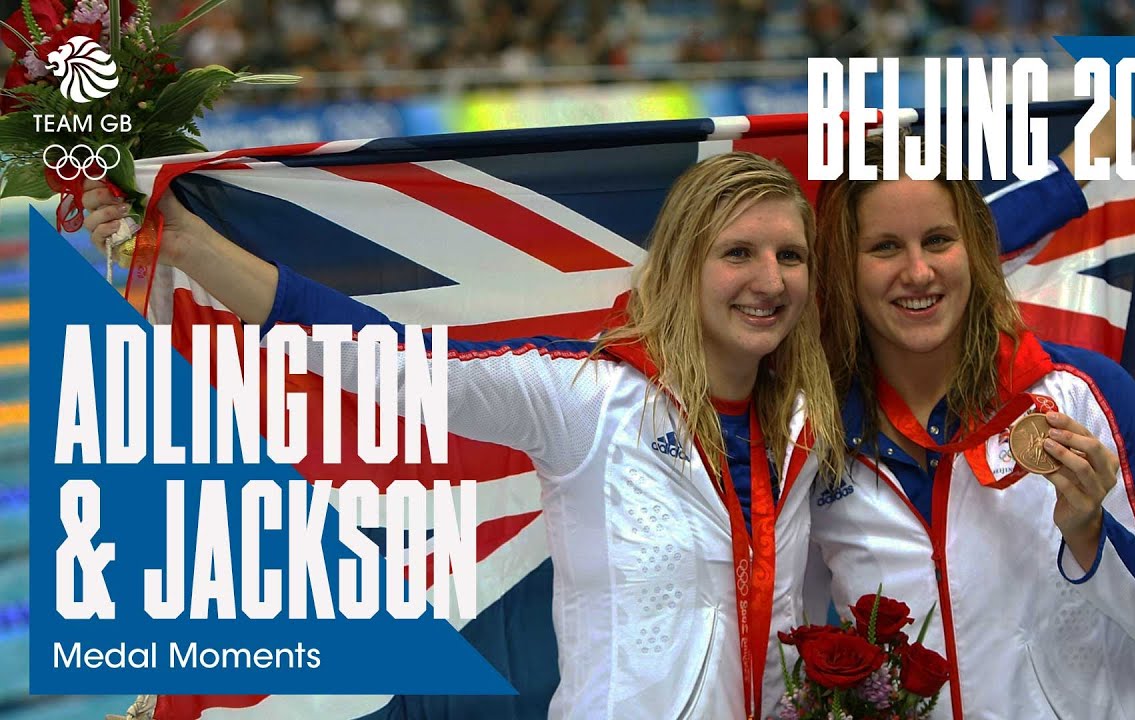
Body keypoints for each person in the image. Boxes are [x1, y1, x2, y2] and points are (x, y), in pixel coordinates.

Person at [82, 151, 847, 719]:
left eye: (790, 256)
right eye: (738, 253)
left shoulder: (808, 425)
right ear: (681, 265)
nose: (770, 280)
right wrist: (189, 246)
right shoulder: (584, 396)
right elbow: (387, 362)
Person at [808, 133, 1135, 719]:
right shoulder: (816, 434)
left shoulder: (1085, 396)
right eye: (884, 247)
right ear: (844, 268)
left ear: (975, 247)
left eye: (939, 240)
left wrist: (1091, 535)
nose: (918, 271)